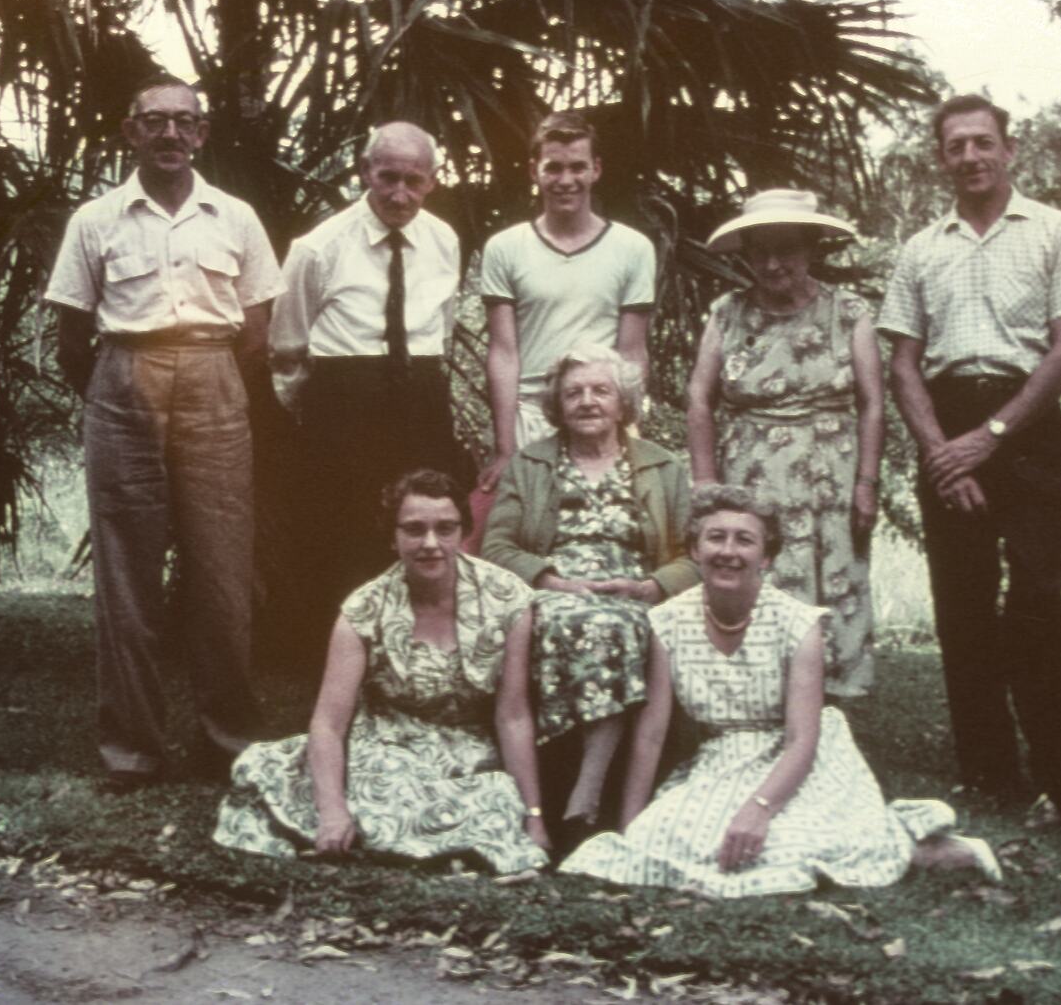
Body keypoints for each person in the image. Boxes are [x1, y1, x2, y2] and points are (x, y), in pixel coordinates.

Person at [559, 486, 998, 897]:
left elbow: (801, 740)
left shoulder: (797, 624)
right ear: (695, 550)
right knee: (663, 839)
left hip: (801, 757)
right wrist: (632, 824)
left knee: (781, 841)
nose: (728, 551)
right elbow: (651, 733)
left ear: (766, 557)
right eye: (716, 538)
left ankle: (932, 849)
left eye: (744, 541)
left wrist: (760, 808)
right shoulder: (668, 622)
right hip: (723, 759)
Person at [43, 75, 283, 789]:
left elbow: (258, 328)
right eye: (155, 122)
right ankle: (132, 750)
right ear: (131, 132)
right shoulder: (96, 220)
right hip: (123, 382)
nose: (170, 135)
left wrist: (197, 372)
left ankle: (228, 741)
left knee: (222, 573)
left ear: (202, 134)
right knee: (127, 577)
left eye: (184, 122)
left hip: (214, 380)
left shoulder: (234, 217)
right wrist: (125, 383)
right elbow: (69, 334)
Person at [876, 94, 1061, 820]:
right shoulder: (921, 248)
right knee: (962, 605)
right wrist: (943, 452)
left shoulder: (1056, 231)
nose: (969, 157)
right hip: (947, 424)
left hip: (1026, 426)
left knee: (1035, 597)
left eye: (982, 143)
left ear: (1009, 149)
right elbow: (903, 364)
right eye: (955, 147)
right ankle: (986, 768)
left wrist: (991, 437)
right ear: (940, 159)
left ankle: (1053, 771)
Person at [213, 470, 550, 872]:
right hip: (386, 745)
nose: (430, 544)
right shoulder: (364, 609)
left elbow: (512, 717)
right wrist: (333, 811)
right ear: (393, 538)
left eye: (445, 529)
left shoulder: (508, 598)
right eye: (413, 530)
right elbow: (328, 724)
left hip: (467, 750)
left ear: (464, 532)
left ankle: (406, 839)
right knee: (372, 784)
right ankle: (380, 831)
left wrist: (534, 815)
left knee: (492, 800)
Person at [267, 121, 471, 668]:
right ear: (364, 173)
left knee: (420, 522)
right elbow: (287, 350)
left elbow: (441, 327)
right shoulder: (318, 247)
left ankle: (415, 653)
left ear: (432, 181)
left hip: (421, 396)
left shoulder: (443, 240)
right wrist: (323, 412)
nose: (400, 194)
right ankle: (330, 660)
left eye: (414, 180)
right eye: (388, 178)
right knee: (342, 529)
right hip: (343, 404)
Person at [481, 343, 698, 839]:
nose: (587, 401)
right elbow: (496, 545)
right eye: (574, 393)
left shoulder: (662, 467)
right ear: (557, 406)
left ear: (624, 403)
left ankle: (588, 783)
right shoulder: (529, 465)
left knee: (617, 622)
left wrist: (649, 586)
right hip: (554, 589)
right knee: (569, 620)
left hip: (634, 592)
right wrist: (553, 580)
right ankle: (578, 782)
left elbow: (693, 554)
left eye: (601, 390)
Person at [685, 188, 883, 698]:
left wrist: (866, 482)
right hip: (751, 480)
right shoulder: (727, 312)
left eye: (786, 249)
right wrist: (706, 486)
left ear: (811, 247)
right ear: (746, 254)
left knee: (834, 586)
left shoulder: (848, 311)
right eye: (760, 251)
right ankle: (752, 706)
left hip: (830, 481)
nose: (773, 264)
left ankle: (829, 714)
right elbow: (700, 400)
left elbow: (872, 402)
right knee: (753, 583)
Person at [478, 111, 656, 491]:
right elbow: (503, 353)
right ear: (534, 171)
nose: (565, 180)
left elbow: (632, 353)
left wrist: (628, 431)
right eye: (553, 168)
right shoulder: (504, 248)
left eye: (577, 167)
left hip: (602, 416)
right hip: (530, 415)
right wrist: (505, 447)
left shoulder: (634, 248)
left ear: (596, 169)